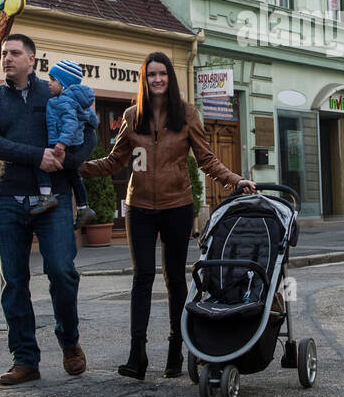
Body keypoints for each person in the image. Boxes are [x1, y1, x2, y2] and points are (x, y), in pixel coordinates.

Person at [82, 51, 255, 380]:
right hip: (139, 207)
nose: (157, 79)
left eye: (162, 74)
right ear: (144, 80)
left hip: (177, 205)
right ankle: (138, 355)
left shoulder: (188, 115)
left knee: (176, 280)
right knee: (142, 277)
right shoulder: (133, 116)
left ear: (169, 79)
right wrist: (76, 166)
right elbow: (114, 162)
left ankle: (177, 350)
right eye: (151, 75)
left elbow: (206, 160)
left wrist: (235, 180)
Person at [0, 34, 85, 386]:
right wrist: (36, 154)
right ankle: (25, 359)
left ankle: (69, 341)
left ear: (32, 59)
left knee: (61, 271)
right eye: (4, 54)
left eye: (14, 53)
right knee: (14, 281)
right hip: (8, 196)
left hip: (51, 197)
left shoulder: (52, 92)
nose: (7, 59)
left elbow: (87, 131)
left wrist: (69, 156)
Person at [31, 59, 99, 229]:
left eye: (53, 80)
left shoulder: (65, 100)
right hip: (74, 143)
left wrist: (61, 143)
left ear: (64, 83)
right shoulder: (74, 100)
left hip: (65, 144)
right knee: (74, 176)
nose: (49, 83)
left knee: (40, 162)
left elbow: (70, 123)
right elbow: (91, 120)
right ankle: (83, 207)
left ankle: (46, 195)